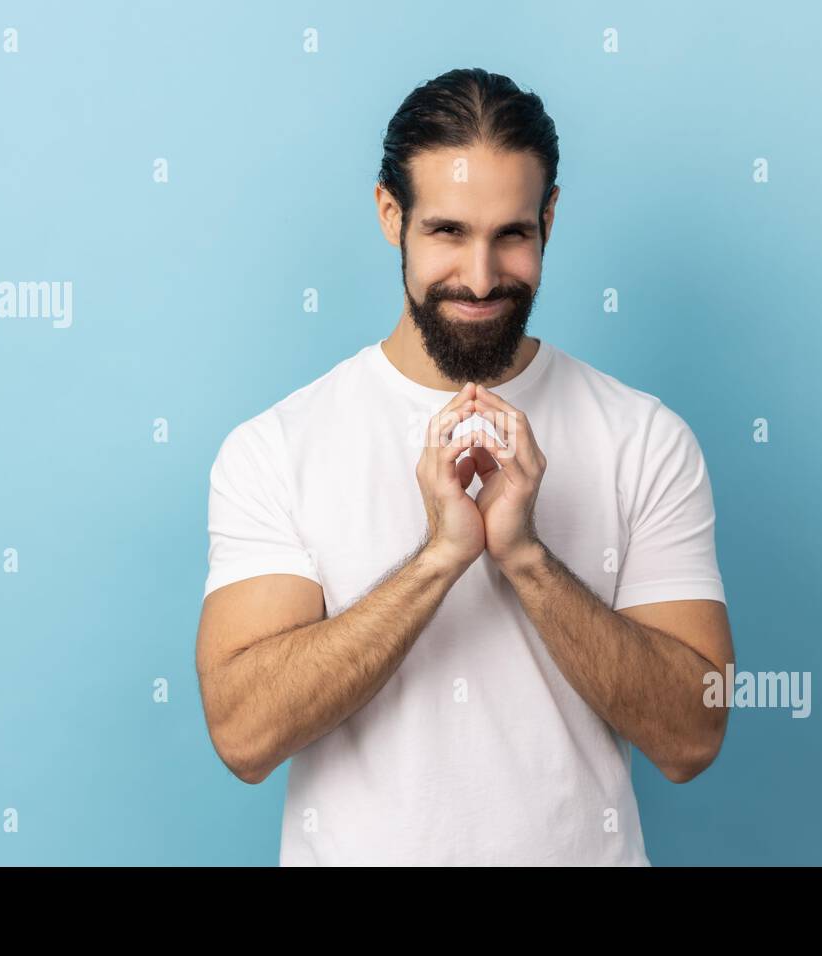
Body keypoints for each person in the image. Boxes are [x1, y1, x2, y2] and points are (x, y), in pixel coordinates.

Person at [195, 67, 734, 866]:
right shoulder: (276, 447)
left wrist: (526, 558)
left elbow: (694, 735)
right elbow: (243, 736)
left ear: (549, 220)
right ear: (391, 215)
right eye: (448, 232)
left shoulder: (644, 437)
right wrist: (442, 558)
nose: (481, 278)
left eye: (511, 235)